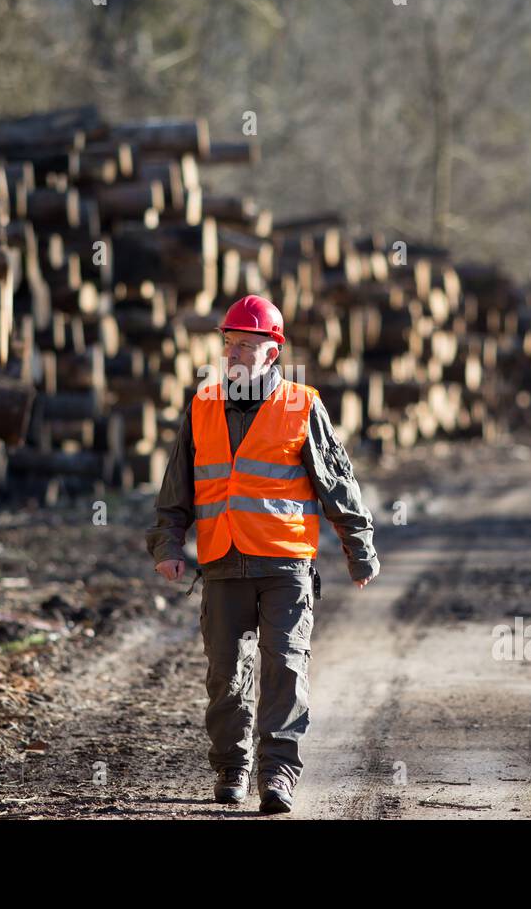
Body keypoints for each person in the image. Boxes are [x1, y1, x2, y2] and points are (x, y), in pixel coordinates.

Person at [147, 295, 380, 814]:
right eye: (230, 343)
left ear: (272, 352)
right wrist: (168, 544)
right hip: (223, 564)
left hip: (285, 566)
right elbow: (175, 490)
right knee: (225, 676)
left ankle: (277, 776)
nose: (236, 353)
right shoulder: (202, 405)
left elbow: (336, 482)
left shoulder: (302, 405)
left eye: (249, 345)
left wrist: (358, 548)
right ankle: (232, 768)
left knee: (285, 668)